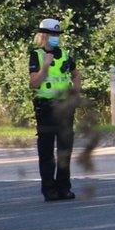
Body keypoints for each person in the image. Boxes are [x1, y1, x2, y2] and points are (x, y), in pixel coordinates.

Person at [29, 18, 81, 202]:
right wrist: (45, 66)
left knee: (65, 150)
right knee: (46, 151)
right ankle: (49, 190)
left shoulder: (65, 54)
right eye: (52, 34)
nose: (55, 38)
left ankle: (64, 188)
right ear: (43, 35)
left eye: (57, 35)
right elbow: (33, 83)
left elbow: (76, 74)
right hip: (46, 108)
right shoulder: (37, 55)